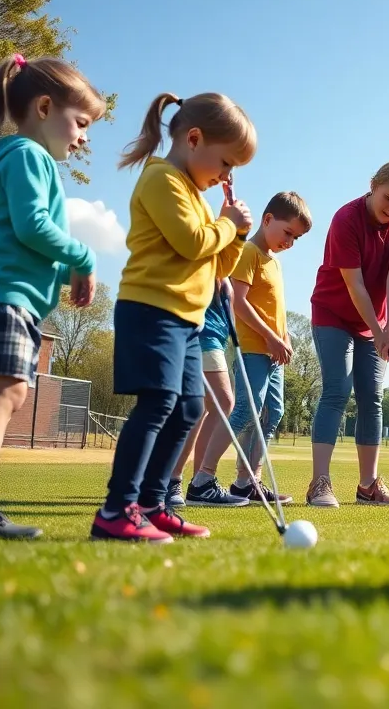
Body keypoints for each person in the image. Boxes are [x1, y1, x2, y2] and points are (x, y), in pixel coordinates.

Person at [0, 55, 104, 539]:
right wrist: (84, 258)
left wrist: (69, 267)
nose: (84, 136)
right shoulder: (29, 157)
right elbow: (33, 227)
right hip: (0, 296)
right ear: (45, 107)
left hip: (5, 297)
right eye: (81, 122)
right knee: (2, 394)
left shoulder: (22, 157)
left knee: (9, 394)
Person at [91, 92, 256, 543]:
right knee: (158, 404)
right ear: (194, 138)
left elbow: (216, 267)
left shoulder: (198, 198)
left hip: (187, 319)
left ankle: (152, 504)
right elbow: (190, 242)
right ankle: (115, 509)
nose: (226, 176)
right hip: (150, 309)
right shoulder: (161, 179)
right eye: (224, 164)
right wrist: (227, 224)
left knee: (187, 408)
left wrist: (237, 237)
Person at [306, 159, 389, 508]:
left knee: (372, 397)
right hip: (332, 314)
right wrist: (378, 329)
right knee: (337, 392)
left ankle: (369, 486)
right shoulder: (347, 218)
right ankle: (319, 483)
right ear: (373, 184)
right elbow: (353, 283)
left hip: (374, 320)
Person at [190, 191, 312, 505]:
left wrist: (284, 337)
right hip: (253, 349)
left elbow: (274, 306)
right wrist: (271, 337)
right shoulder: (249, 253)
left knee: (273, 413)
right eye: (288, 233)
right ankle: (203, 478)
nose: (290, 242)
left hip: (274, 353)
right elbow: (239, 303)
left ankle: (246, 482)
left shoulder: (275, 263)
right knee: (245, 411)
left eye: (296, 239)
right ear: (267, 219)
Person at [166, 280, 245, 508]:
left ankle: (192, 483)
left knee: (198, 409)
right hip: (202, 336)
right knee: (223, 401)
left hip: (215, 339)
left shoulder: (225, 269)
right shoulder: (210, 259)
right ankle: (190, 482)